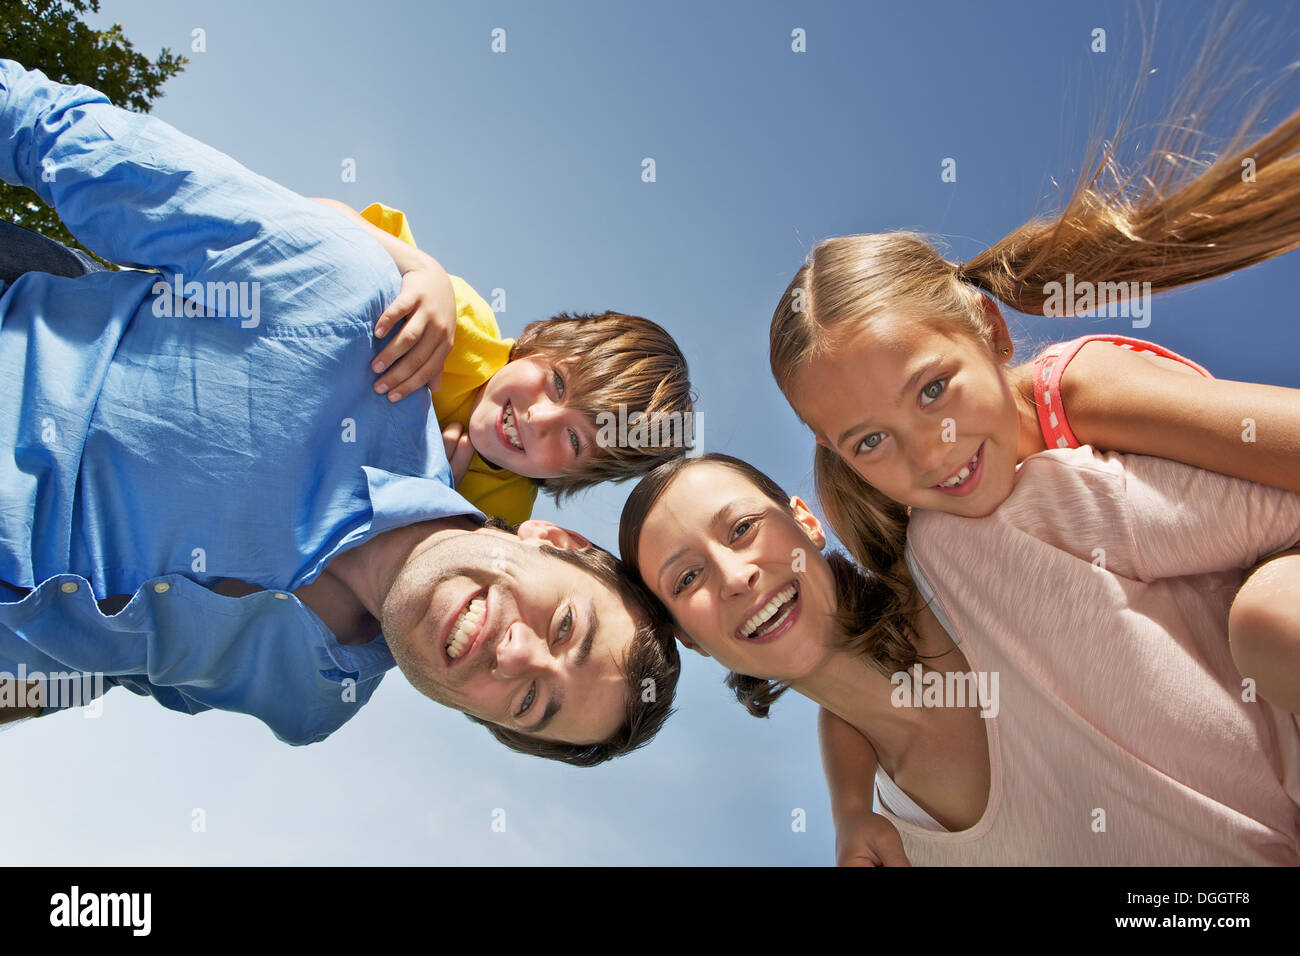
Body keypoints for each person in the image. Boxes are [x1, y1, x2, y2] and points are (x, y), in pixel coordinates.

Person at [0, 59, 679, 764]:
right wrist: (419, 274)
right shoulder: (361, 306)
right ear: (555, 541)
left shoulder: (310, 704)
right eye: (566, 626)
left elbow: (103, 672)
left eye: (533, 702)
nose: (514, 655)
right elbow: (53, 130)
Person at [620, 452, 1300, 864]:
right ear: (690, 639)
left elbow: (1279, 505)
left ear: (805, 520)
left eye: (741, 528)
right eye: (686, 580)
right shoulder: (896, 848)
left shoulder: (978, 539)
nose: (733, 576)